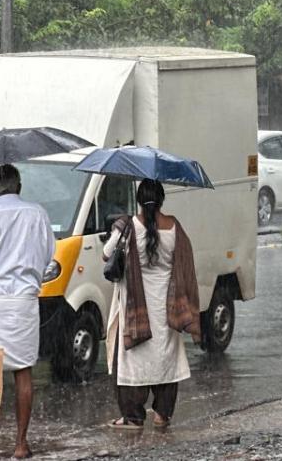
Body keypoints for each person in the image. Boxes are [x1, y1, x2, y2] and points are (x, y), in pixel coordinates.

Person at [0, 164, 56, 460]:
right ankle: (21, 444)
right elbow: (46, 258)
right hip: (25, 303)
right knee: (23, 373)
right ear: (19, 185)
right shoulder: (38, 214)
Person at [102, 178, 200, 430]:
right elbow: (186, 262)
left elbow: (106, 254)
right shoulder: (174, 226)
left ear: (139, 200)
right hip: (167, 307)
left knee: (133, 360)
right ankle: (162, 414)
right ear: (161, 199)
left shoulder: (127, 225)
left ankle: (133, 416)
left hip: (136, 308)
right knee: (166, 359)